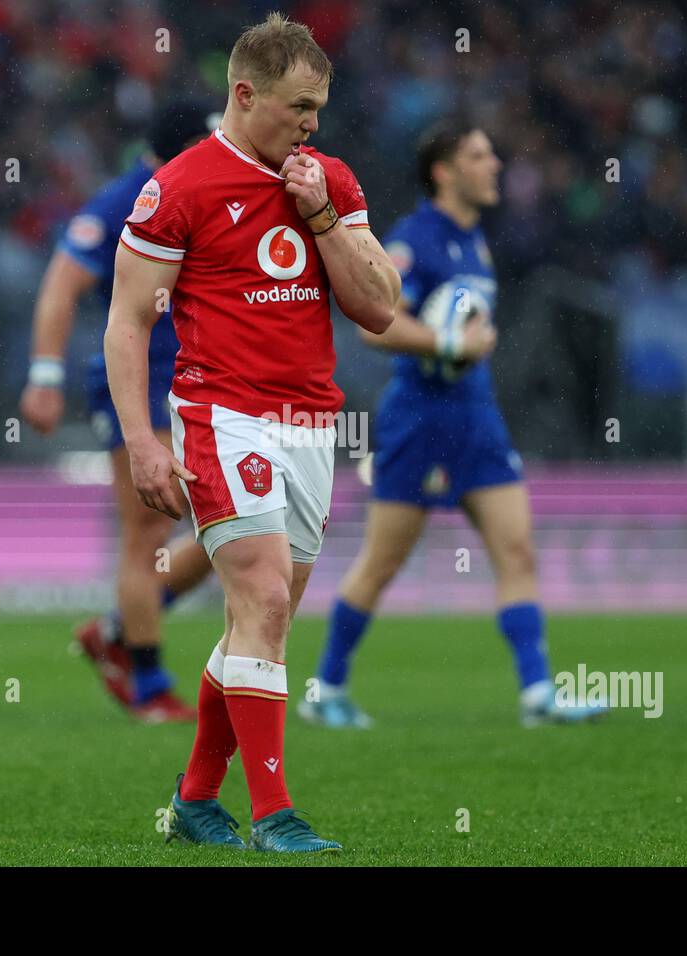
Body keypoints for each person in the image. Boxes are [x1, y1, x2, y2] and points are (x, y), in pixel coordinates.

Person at [104, 14, 398, 852]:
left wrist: (322, 220)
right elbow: (126, 322)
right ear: (244, 94)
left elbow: (379, 307)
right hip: (221, 415)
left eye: (320, 109)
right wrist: (142, 441)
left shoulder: (329, 179)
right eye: (298, 106)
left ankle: (196, 800)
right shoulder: (182, 187)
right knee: (264, 598)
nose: (311, 124)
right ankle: (275, 814)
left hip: (311, 422)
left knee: (256, 624)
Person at [300, 120, 608, 730]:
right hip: (420, 418)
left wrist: (464, 350)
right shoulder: (416, 239)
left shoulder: (476, 242)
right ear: (444, 172)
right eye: (478, 155)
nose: (494, 164)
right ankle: (326, 688)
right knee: (382, 562)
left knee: (517, 548)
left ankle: (538, 694)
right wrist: (448, 341)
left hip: (477, 415)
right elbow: (374, 323)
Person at [20, 100, 219, 724]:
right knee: (148, 534)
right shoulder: (124, 199)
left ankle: (115, 629)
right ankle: (149, 685)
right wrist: (45, 375)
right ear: (183, 144)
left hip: (200, 382)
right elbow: (62, 281)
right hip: (140, 384)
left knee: (227, 523)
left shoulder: (202, 189)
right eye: (208, 141)